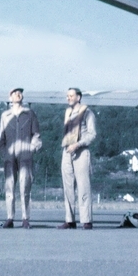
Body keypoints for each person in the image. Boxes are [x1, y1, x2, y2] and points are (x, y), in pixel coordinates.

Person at [0, 87, 41, 228]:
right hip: (10, 155)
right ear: (10, 97)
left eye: (20, 92)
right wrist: (4, 153)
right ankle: (10, 217)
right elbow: (1, 138)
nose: (18, 94)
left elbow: (36, 134)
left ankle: (25, 218)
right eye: (14, 93)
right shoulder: (5, 116)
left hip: (25, 154)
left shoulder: (29, 114)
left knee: (25, 185)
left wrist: (32, 148)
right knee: (9, 186)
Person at [59, 87, 96, 229]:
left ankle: (86, 220)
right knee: (68, 186)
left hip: (81, 151)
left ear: (78, 97)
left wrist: (78, 144)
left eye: (71, 96)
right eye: (67, 96)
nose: (68, 98)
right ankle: (70, 220)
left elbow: (92, 134)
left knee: (83, 186)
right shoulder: (67, 112)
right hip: (67, 150)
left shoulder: (87, 113)